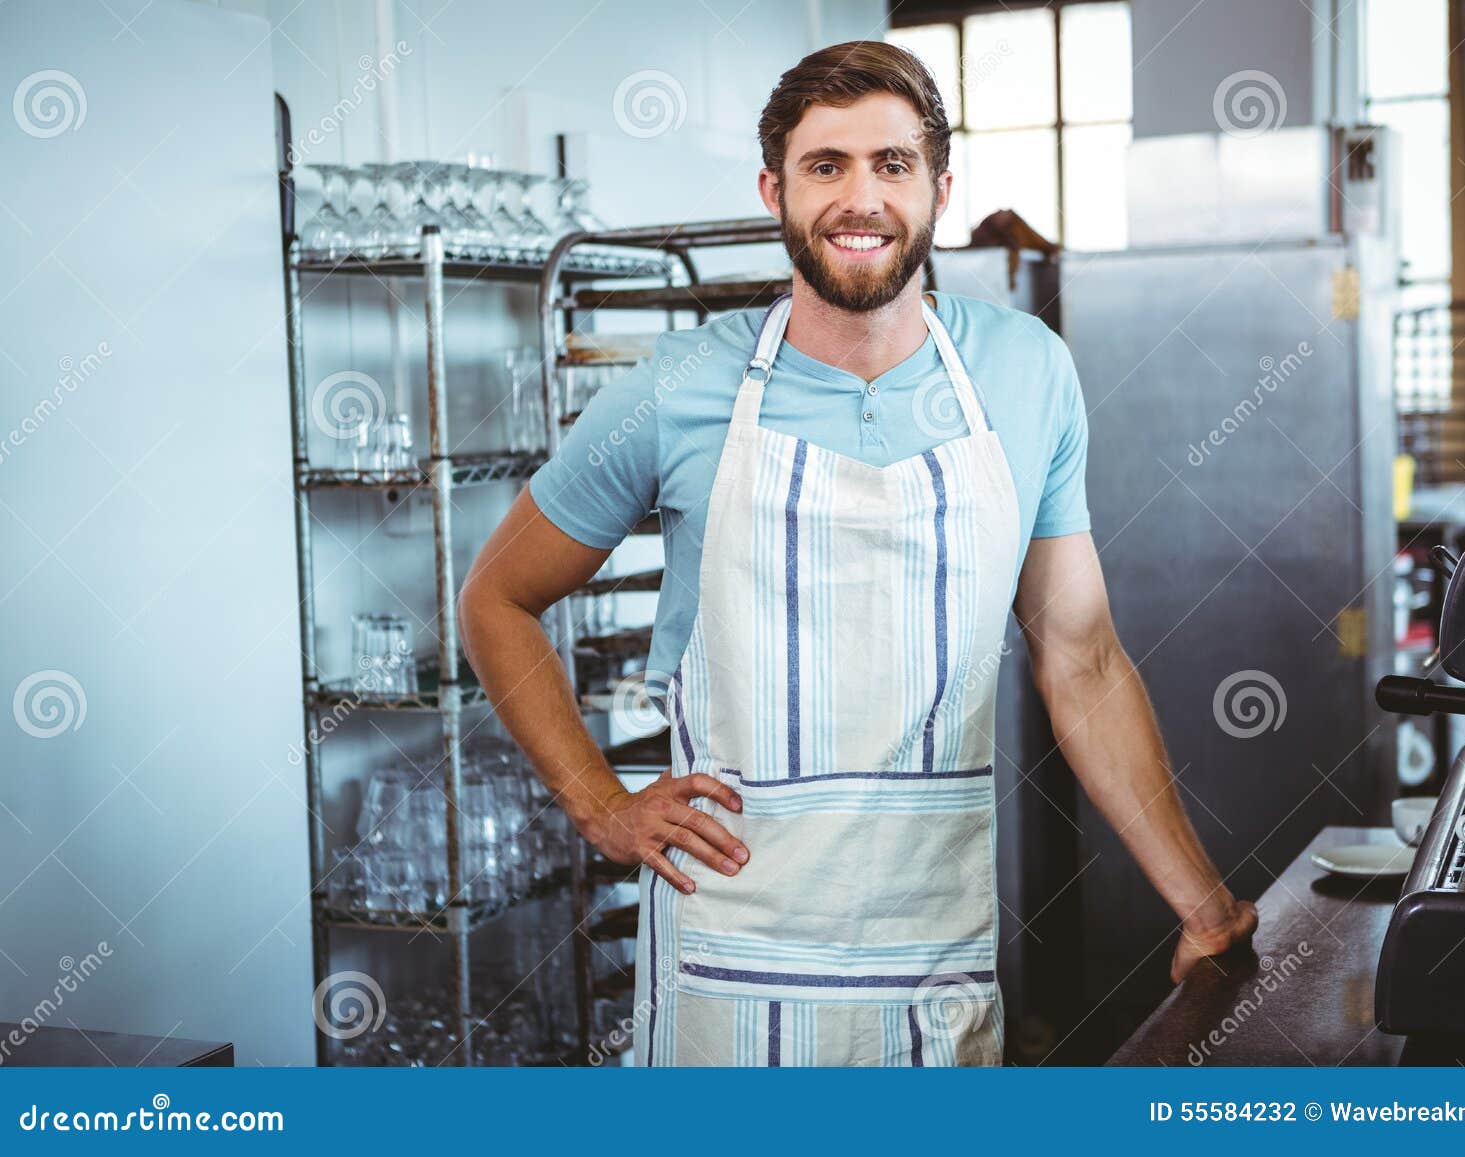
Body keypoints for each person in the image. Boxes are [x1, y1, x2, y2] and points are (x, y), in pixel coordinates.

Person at [460, 40, 1256, 1067]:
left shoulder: (1023, 371)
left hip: (933, 959)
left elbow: (1081, 655)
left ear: (937, 187)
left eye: (891, 163)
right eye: (824, 165)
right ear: (773, 190)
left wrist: (1200, 903)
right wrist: (600, 803)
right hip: (728, 962)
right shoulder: (678, 386)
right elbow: (497, 596)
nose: (859, 198)